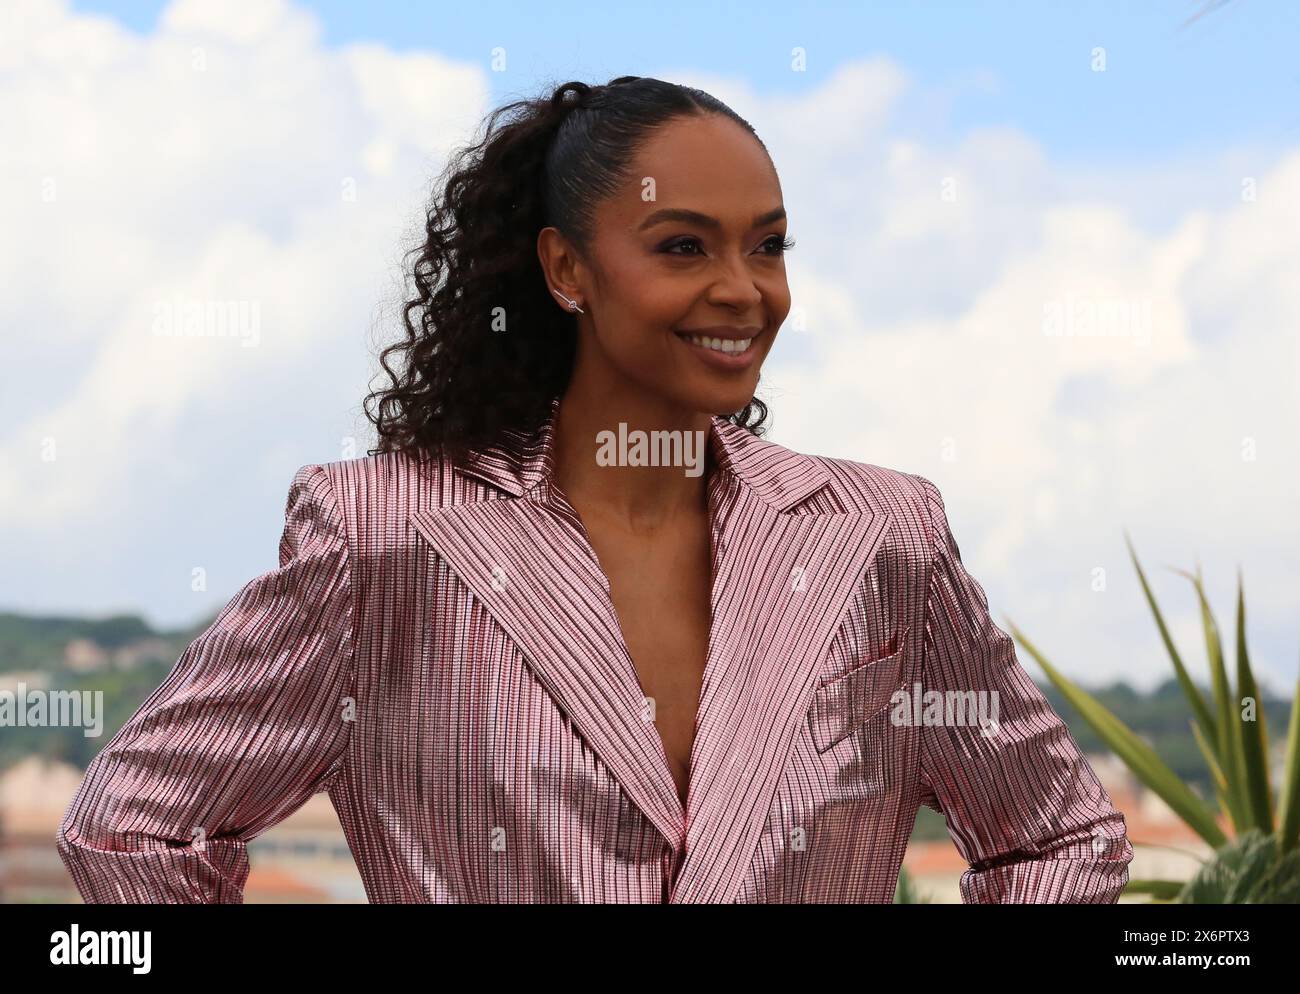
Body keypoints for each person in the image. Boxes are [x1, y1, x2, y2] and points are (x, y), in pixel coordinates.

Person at [57, 76, 1133, 903]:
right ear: (567, 270)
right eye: (682, 246)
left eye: (767, 246)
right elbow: (129, 830)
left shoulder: (881, 538)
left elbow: (1057, 837)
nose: (743, 291)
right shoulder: (385, 538)